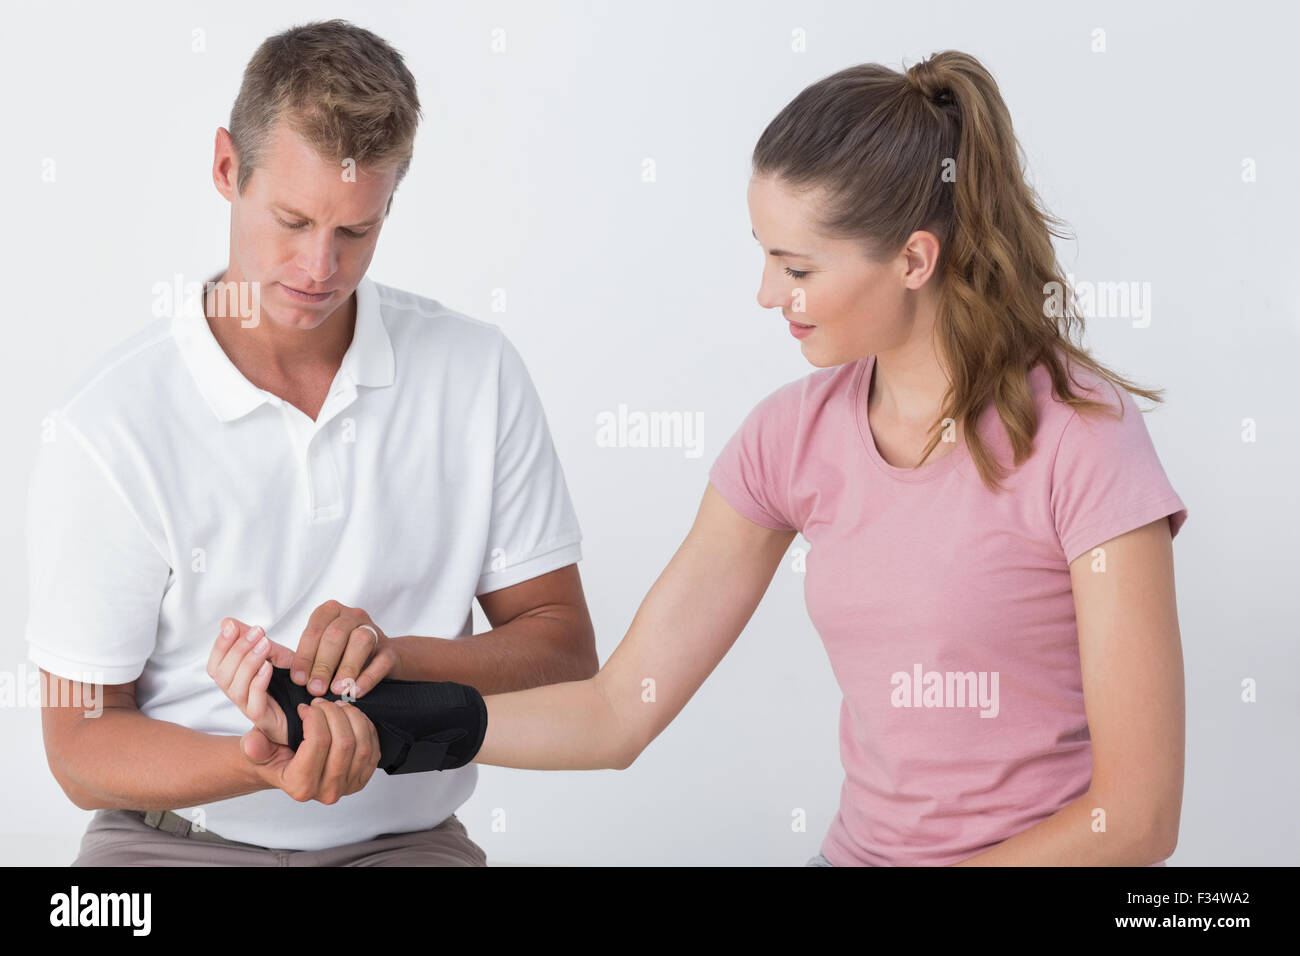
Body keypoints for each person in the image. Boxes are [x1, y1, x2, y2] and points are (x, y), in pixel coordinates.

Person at [213, 50, 1189, 866]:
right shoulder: (790, 437)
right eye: (764, 255)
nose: (769, 294)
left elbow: (1136, 817)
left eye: (798, 267)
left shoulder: (1079, 438)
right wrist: (381, 720)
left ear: (915, 259)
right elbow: (614, 712)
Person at [26, 19, 597, 866]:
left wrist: (398, 661)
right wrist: (255, 763)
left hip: (405, 843)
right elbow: (78, 744)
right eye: (291, 220)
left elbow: (565, 653)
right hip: (173, 845)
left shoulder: (478, 374)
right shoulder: (106, 426)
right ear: (227, 168)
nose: (318, 268)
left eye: (355, 232)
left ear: (391, 204)